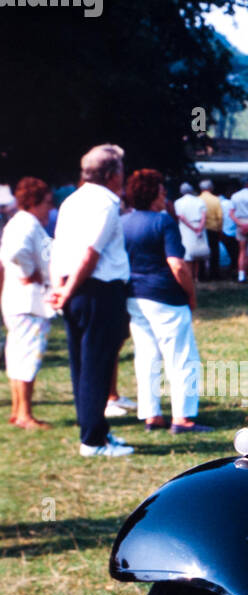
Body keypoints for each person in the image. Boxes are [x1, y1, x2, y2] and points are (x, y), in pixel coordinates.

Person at [48, 143, 134, 457]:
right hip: (98, 291)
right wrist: (68, 290)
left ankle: (97, 432)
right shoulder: (105, 204)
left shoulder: (71, 201)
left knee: (83, 366)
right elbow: (90, 253)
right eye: (121, 170)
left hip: (75, 288)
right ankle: (93, 441)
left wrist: (59, 287)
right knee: (96, 366)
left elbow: (59, 249)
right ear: (111, 174)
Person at [120, 169, 210, 434]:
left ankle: (151, 415)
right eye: (161, 191)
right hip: (166, 297)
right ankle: (182, 418)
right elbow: (177, 265)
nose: (165, 196)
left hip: (135, 296)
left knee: (146, 356)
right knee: (181, 357)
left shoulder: (123, 222)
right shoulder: (163, 222)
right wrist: (191, 295)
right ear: (152, 194)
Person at [1, 177, 55, 429]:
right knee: (28, 356)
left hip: (16, 299)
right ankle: (25, 414)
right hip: (28, 300)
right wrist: (29, 272)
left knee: (17, 355)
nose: (49, 208)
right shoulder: (28, 224)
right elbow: (16, 252)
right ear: (34, 202)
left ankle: (18, 409)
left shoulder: (17, 222)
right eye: (46, 203)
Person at [173, 182, 210, 274]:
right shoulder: (199, 201)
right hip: (199, 225)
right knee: (198, 251)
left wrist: (193, 228)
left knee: (188, 252)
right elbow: (204, 215)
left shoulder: (178, 202)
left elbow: (181, 217)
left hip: (186, 228)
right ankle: (196, 276)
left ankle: (188, 274)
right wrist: (200, 227)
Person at [198, 179, 225, 279]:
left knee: (201, 252)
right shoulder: (216, 200)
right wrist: (220, 229)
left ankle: (201, 274)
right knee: (214, 252)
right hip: (213, 229)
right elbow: (220, 216)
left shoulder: (197, 199)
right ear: (211, 188)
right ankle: (214, 274)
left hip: (201, 229)